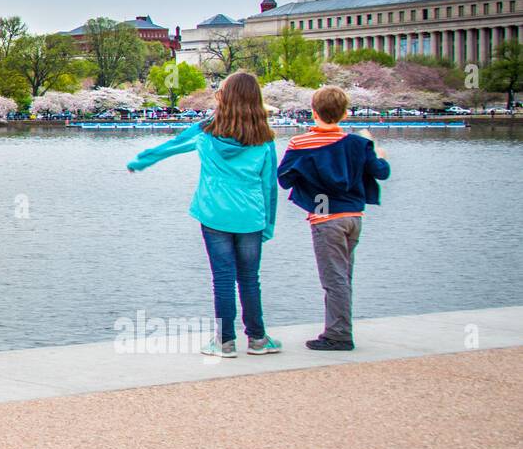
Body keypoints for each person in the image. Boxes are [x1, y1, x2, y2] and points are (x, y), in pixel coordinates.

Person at [126, 72, 281, 358]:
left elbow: (172, 146)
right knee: (249, 278)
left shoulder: (206, 131)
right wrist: (269, 224)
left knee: (222, 278)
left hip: (214, 214)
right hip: (251, 216)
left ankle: (224, 342)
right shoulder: (264, 138)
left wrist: (141, 160)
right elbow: (270, 185)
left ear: (224, 98)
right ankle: (258, 339)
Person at [277, 85, 390, 351]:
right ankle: (337, 328)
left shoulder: (301, 143)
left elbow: (284, 179)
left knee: (334, 278)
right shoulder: (359, 144)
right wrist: (379, 154)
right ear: (345, 113)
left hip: (325, 216)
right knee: (343, 275)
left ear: (314, 112)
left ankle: (339, 334)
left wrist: (309, 172)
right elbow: (381, 173)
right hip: (353, 215)